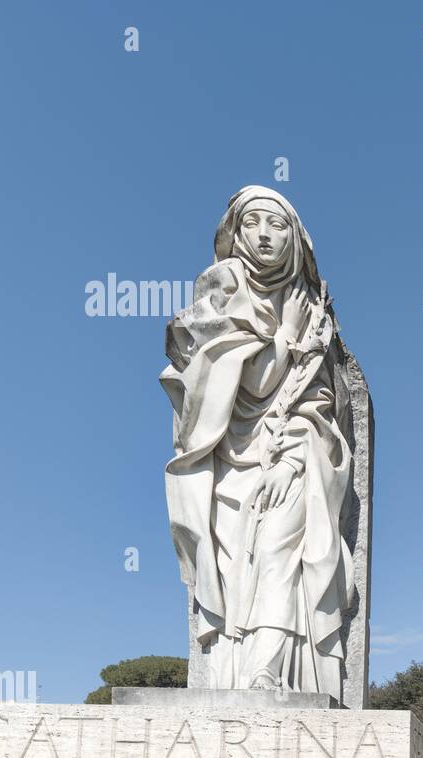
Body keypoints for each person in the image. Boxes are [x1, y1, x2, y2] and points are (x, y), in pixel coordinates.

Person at [161, 187, 352, 702]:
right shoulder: (217, 297)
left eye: (278, 224)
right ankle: (229, 680)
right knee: (229, 577)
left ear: (295, 238)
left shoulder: (313, 310)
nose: (265, 235)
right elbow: (235, 382)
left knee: (279, 557)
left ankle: (268, 675)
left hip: (294, 456)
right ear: (236, 232)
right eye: (253, 223)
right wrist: (284, 337)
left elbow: (320, 401)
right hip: (225, 460)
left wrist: (292, 458)